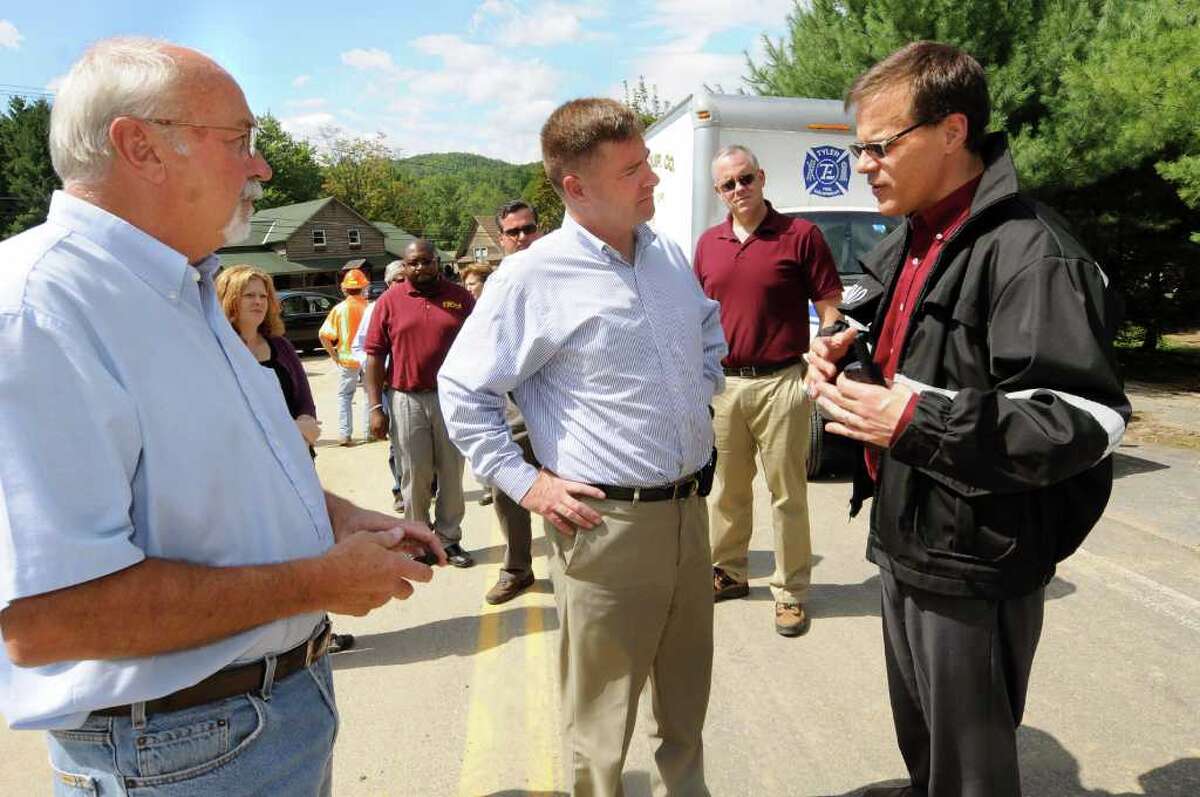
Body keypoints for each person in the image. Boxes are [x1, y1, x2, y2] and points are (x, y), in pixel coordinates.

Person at [0, 38, 445, 795]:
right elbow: (49, 616)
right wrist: (316, 580)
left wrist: (334, 519)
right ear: (140, 146)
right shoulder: (36, 309)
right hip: (174, 752)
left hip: (233, 727)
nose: (262, 166)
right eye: (239, 140)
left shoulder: (183, 285)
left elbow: (222, 475)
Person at [803, 42, 1129, 797]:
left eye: (881, 146)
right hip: (909, 534)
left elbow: (1082, 418)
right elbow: (901, 359)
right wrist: (840, 358)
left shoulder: (1032, 254)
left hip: (974, 558)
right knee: (929, 755)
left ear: (953, 131)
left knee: (971, 773)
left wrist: (912, 419)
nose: (863, 164)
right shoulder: (912, 237)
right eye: (859, 148)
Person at [440, 98, 727, 795]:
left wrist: (692, 394)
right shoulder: (531, 276)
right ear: (575, 187)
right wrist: (529, 484)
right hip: (608, 528)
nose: (651, 181)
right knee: (600, 724)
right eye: (631, 171)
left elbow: (708, 334)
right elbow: (462, 391)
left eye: (648, 165)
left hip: (690, 512)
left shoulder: (665, 254)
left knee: (686, 707)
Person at [693, 143, 843, 637]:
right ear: (718, 192)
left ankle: (791, 592)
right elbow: (698, 315)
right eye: (728, 185)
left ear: (761, 177)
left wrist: (827, 350)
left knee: (787, 495)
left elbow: (830, 307)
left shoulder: (800, 235)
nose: (739, 190)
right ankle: (730, 571)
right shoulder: (708, 244)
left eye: (745, 179)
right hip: (725, 385)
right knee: (727, 492)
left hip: (783, 382)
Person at [215, 264, 357, 655]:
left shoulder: (279, 348)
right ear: (229, 299)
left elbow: (305, 407)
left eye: (264, 295)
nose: (259, 302)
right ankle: (263, 640)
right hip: (243, 475)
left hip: (294, 466)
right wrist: (290, 431)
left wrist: (303, 427)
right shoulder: (215, 351)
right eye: (249, 295)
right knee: (260, 555)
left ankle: (316, 632)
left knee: (307, 545)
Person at [365, 240, 477, 568]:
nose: (420, 268)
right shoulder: (389, 301)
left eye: (426, 262)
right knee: (414, 473)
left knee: (452, 472)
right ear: (404, 266)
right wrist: (375, 408)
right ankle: (417, 540)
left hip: (452, 398)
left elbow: (481, 345)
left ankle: (448, 538)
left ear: (436, 261)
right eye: (412, 263)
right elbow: (374, 356)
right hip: (406, 397)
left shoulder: (460, 298)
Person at [476, 199, 546, 604]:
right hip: (516, 406)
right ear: (501, 239)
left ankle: (578, 571)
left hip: (566, 406)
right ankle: (518, 569)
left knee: (574, 486)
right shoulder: (495, 289)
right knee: (508, 487)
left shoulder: (564, 271)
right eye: (514, 232)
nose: (523, 237)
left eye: (529, 228)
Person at [353, 259, 407, 511]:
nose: (403, 284)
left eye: (406, 279)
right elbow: (359, 347)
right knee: (397, 441)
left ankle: (427, 485)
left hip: (419, 387)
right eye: (398, 280)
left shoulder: (420, 303)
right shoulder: (376, 309)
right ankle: (399, 489)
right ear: (387, 283)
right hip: (388, 387)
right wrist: (380, 369)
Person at [320, 267, 370, 445]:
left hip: (347, 360)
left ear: (345, 288)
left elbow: (324, 335)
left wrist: (334, 356)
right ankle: (370, 432)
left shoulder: (339, 309)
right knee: (369, 395)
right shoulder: (370, 308)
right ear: (364, 287)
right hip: (368, 360)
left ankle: (345, 435)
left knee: (345, 396)